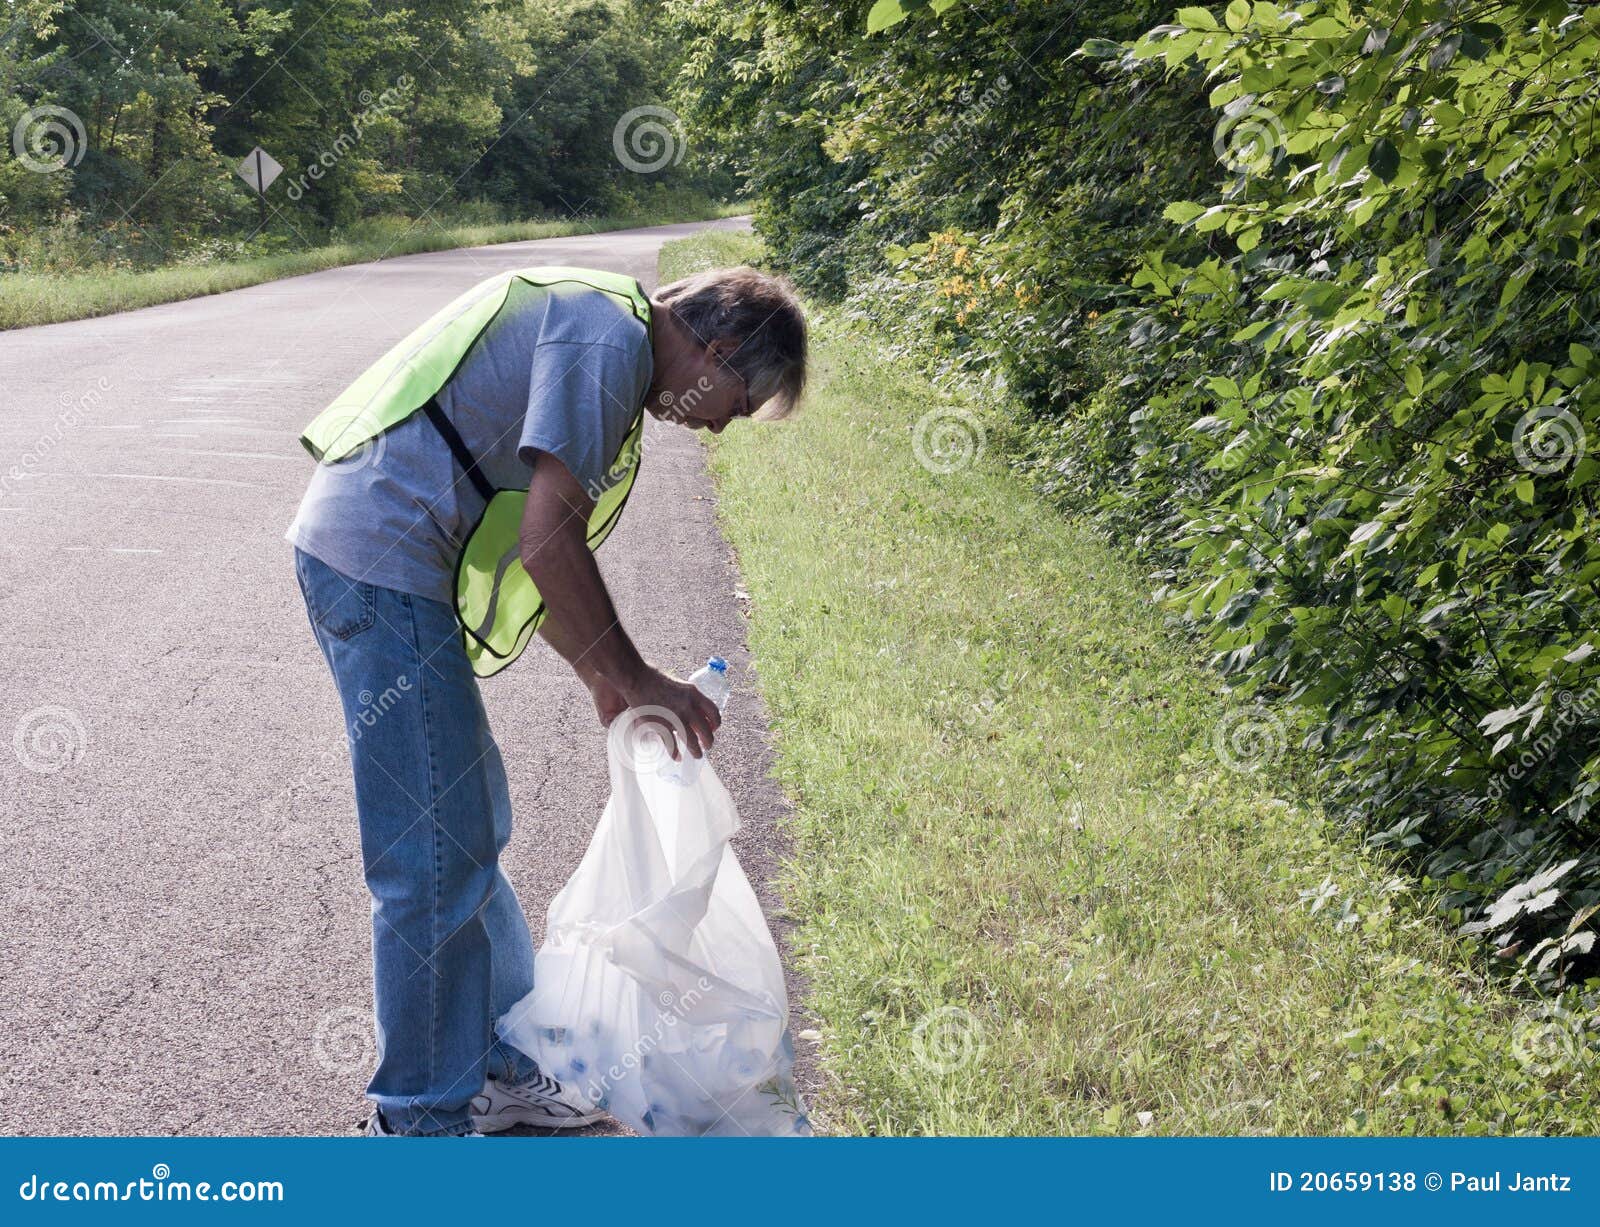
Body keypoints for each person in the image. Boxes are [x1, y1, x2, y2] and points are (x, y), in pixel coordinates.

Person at [284, 262, 807, 1136]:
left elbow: (545, 553)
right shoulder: (609, 339)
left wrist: (604, 675)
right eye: (737, 406)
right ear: (717, 352)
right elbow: (548, 537)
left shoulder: (610, 331)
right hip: (377, 556)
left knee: (467, 828)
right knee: (432, 858)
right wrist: (635, 677)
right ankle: (419, 1117)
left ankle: (498, 1061)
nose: (717, 428)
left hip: (384, 555)